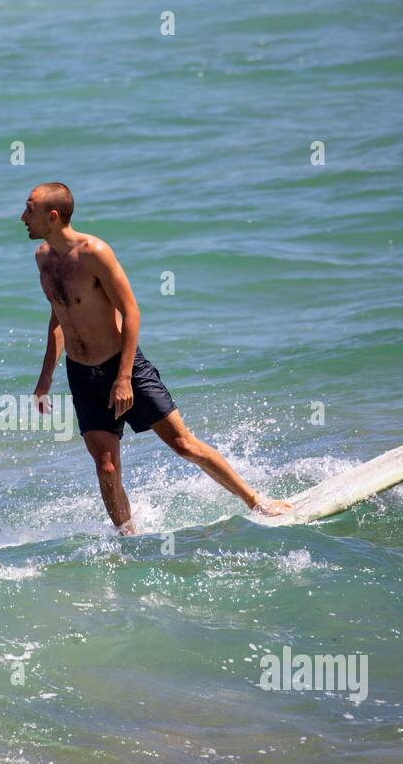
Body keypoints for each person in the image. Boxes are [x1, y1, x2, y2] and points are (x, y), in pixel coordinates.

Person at [21, 182, 293, 534]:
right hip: (82, 375)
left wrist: (122, 379)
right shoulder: (43, 257)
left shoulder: (94, 253)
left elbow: (132, 312)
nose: (23, 216)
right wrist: (45, 378)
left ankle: (257, 501)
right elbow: (59, 317)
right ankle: (129, 538)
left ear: (52, 216)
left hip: (123, 366)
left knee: (183, 445)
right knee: (106, 468)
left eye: (30, 210)